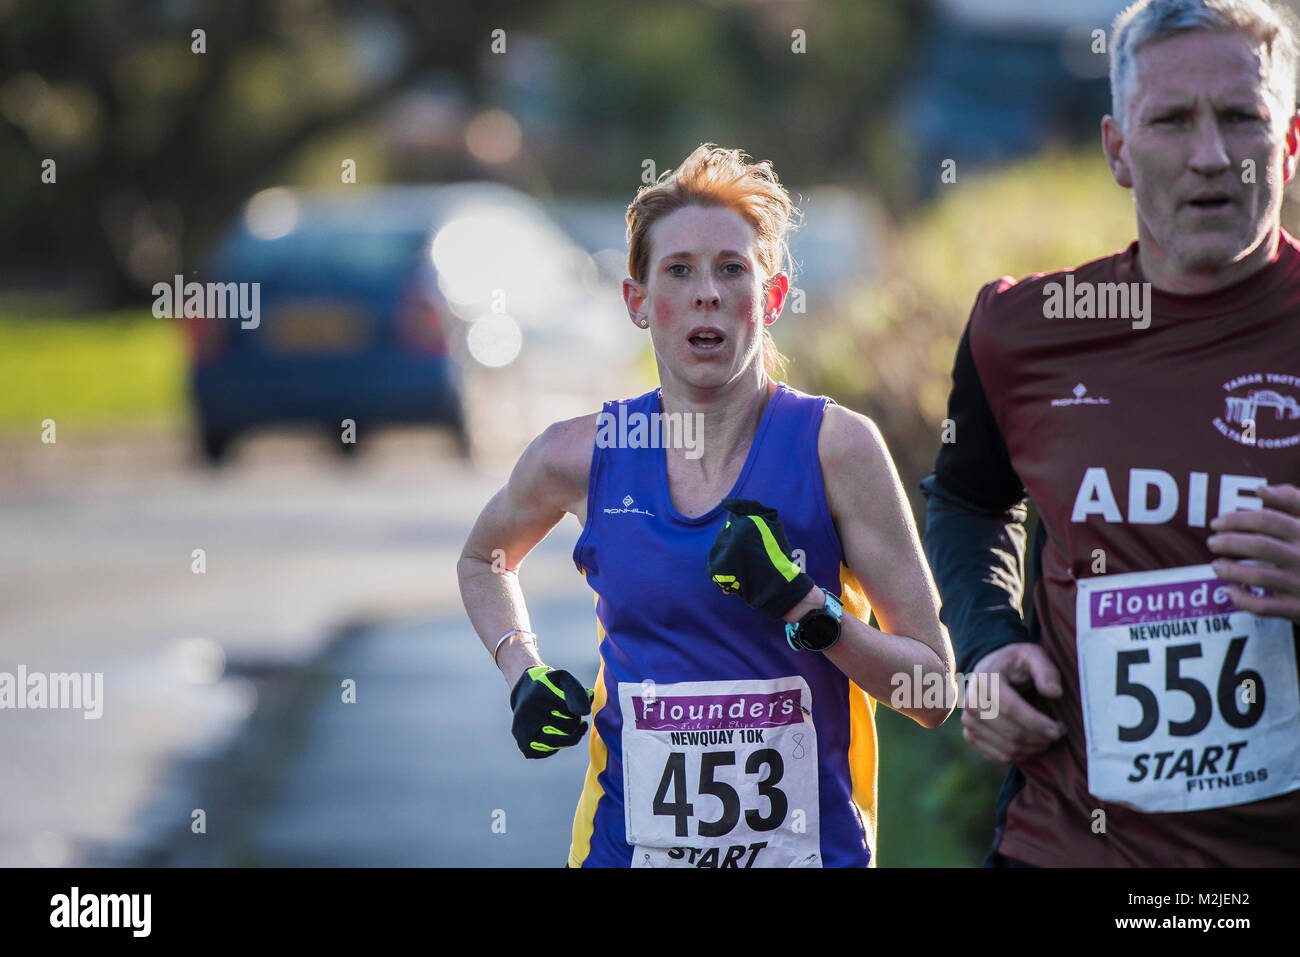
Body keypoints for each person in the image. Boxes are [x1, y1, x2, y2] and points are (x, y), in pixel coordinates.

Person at [458, 144, 955, 868]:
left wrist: (807, 608)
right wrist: (520, 668)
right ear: (637, 301)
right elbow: (482, 558)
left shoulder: (834, 449)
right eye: (679, 271)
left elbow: (933, 690)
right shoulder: (582, 454)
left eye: (731, 269)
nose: (707, 294)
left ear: (773, 296)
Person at [922, 0, 1300, 867]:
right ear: (1117, 150)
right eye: (1171, 120)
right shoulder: (1023, 329)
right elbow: (967, 499)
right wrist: (986, 643)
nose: (1210, 156)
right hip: (1066, 846)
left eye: (1241, 118)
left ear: (1289, 143)